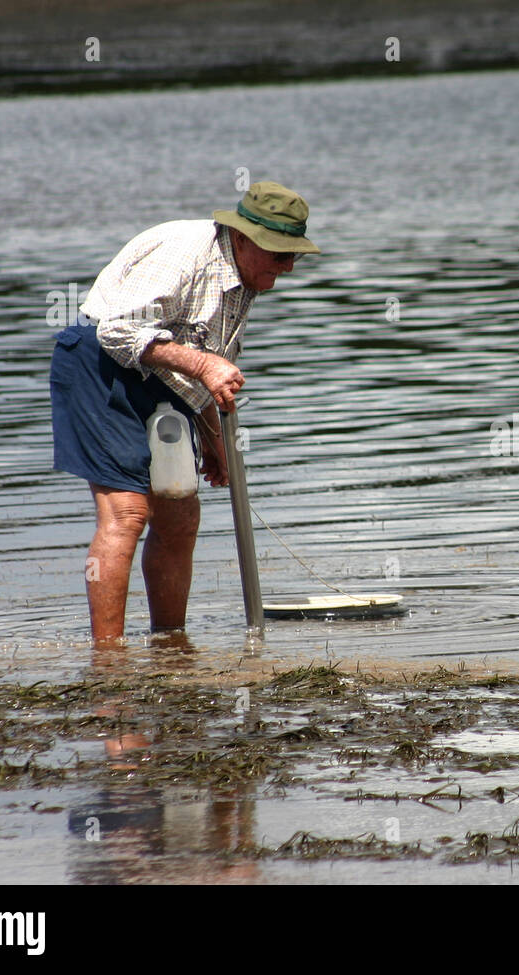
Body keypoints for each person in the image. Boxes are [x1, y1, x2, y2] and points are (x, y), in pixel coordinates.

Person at [49, 181, 319, 644]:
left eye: (294, 255)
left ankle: (170, 645)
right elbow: (119, 332)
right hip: (99, 364)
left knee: (179, 515)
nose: (288, 266)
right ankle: (109, 656)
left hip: (162, 373)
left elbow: (204, 363)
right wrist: (202, 364)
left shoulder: (245, 279)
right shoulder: (183, 255)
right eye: (279, 254)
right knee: (128, 512)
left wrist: (213, 438)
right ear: (243, 238)